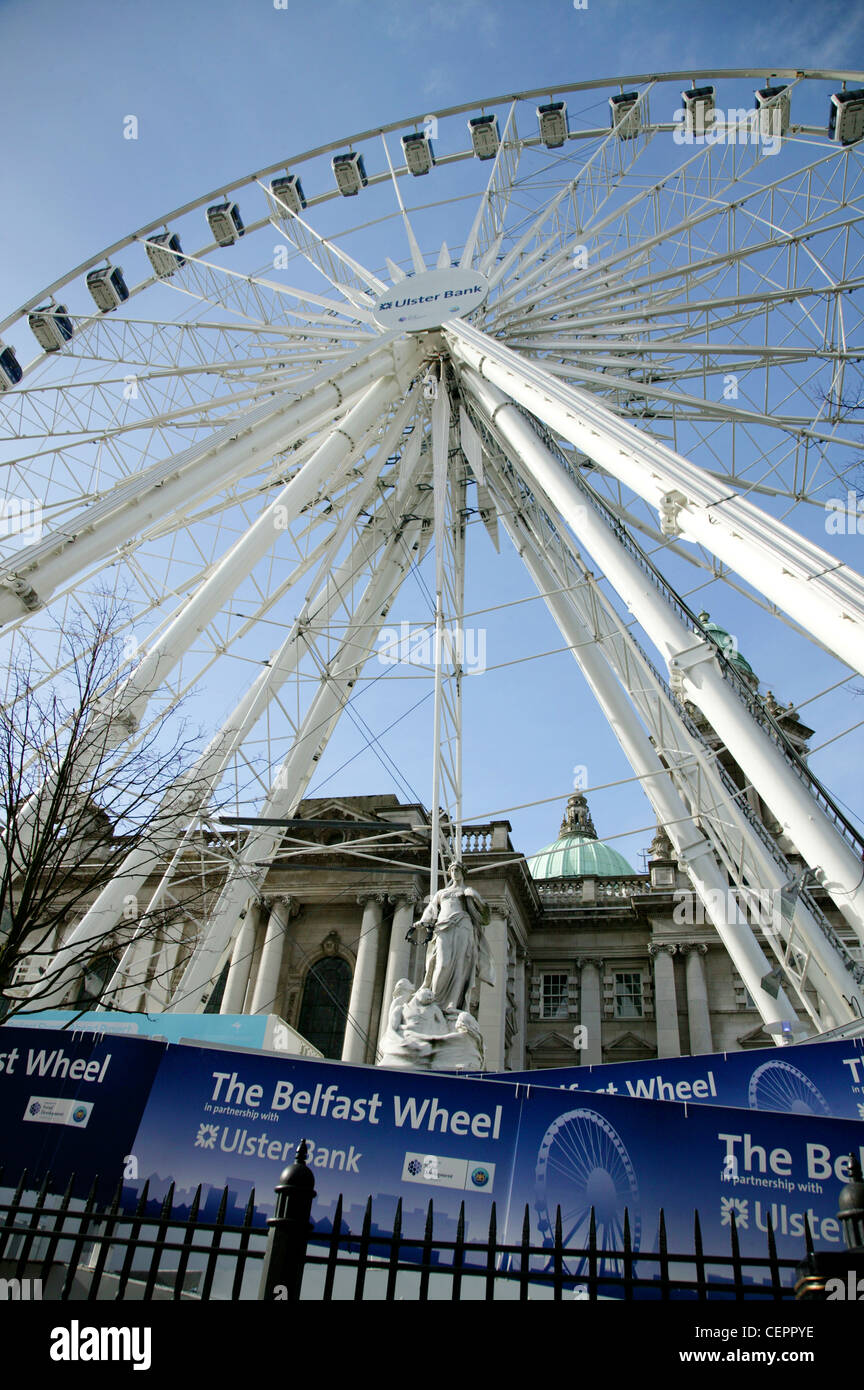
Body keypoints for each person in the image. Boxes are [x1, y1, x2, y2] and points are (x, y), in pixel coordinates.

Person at [414, 861, 495, 1013]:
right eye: (452, 870)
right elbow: (431, 909)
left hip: (463, 927)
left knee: (460, 965)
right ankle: (435, 1000)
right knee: (442, 963)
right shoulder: (441, 893)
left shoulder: (468, 892)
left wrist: (475, 897)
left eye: (457, 869)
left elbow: (485, 917)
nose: (454, 872)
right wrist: (422, 921)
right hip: (443, 927)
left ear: (463, 872)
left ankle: (452, 1003)